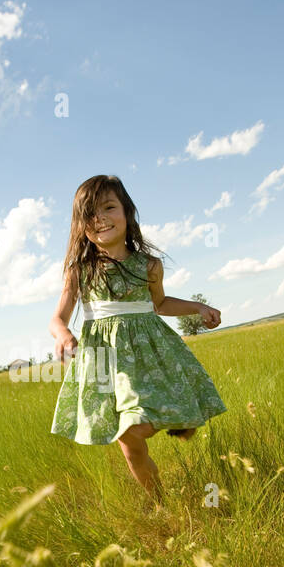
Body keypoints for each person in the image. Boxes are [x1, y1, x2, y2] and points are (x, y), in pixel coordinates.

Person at [49, 174, 227, 504]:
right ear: (81, 226)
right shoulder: (80, 270)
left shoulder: (149, 266)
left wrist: (197, 307)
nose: (100, 218)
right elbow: (57, 317)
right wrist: (63, 334)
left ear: (127, 213)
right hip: (105, 361)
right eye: (90, 213)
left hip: (150, 354)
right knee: (130, 441)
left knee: (135, 425)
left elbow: (160, 304)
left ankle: (174, 418)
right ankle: (160, 501)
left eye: (109, 207)